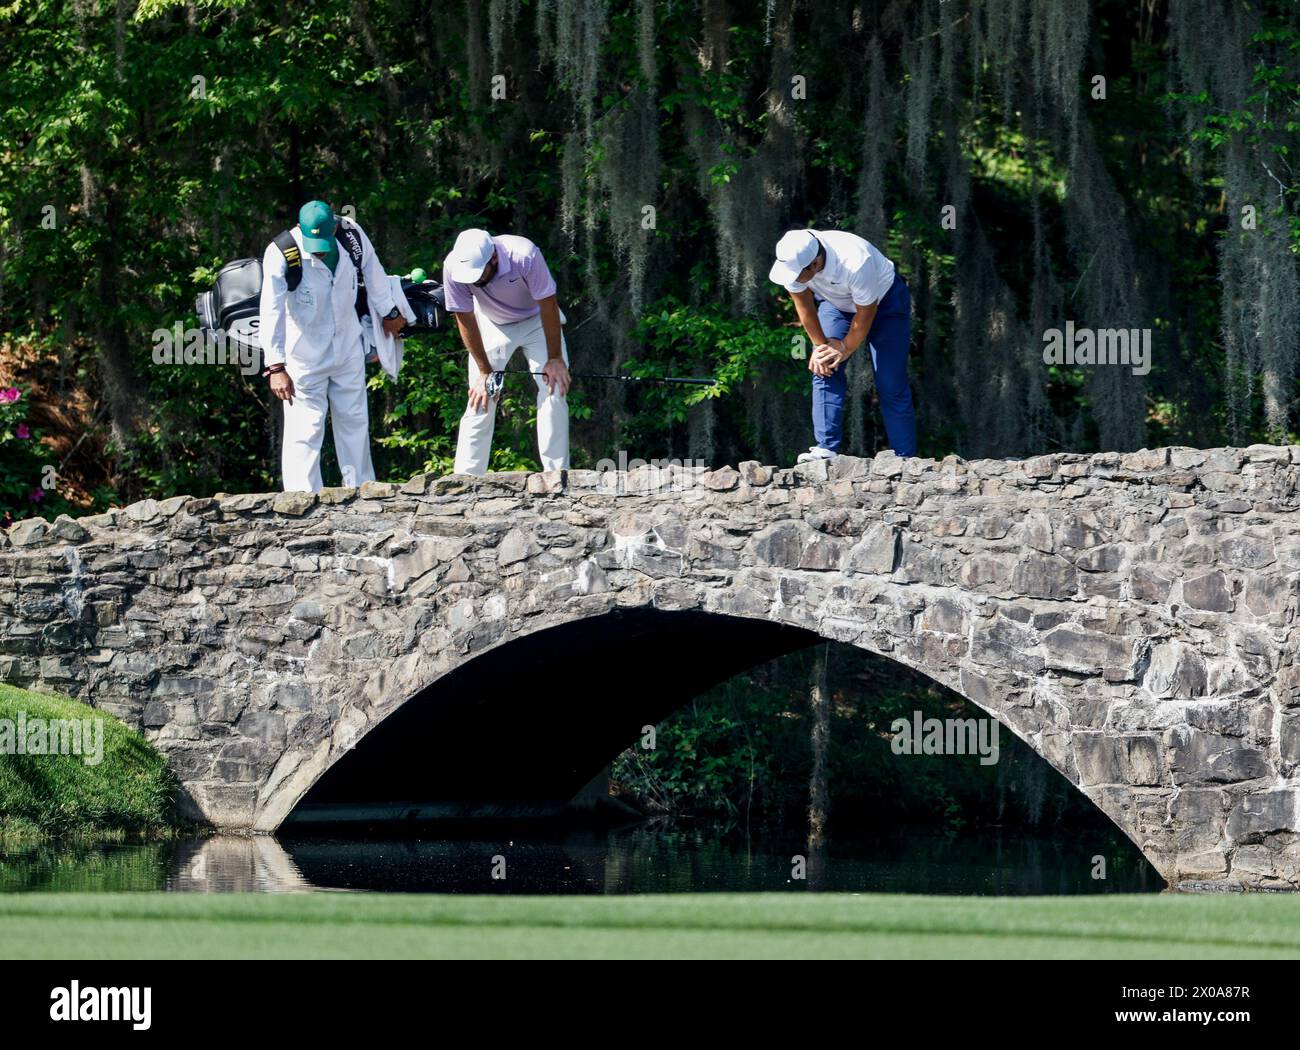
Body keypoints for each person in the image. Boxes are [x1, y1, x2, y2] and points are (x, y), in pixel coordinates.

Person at [258, 200, 406, 492]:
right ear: (299, 228)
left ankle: (361, 489)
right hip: (304, 356)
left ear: (336, 226)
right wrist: (275, 366)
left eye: (324, 241)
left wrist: (389, 313)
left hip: (347, 346)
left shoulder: (352, 237)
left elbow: (374, 275)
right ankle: (301, 499)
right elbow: (270, 311)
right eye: (313, 243)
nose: (319, 249)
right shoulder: (281, 252)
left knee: (354, 422)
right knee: (306, 429)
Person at [769, 228, 917, 461]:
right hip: (836, 304)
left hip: (885, 304)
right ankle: (826, 448)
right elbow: (804, 306)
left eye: (797, 274)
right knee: (824, 365)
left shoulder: (855, 261)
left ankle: (906, 458)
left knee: (890, 382)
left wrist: (845, 347)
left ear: (815, 264)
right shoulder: (795, 260)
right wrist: (821, 348)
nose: (792, 279)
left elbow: (866, 313)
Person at [443, 229, 571, 476]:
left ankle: (557, 475)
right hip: (492, 324)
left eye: (477, 275)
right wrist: (483, 371)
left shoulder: (525, 255)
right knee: (481, 395)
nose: (473, 281)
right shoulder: (453, 267)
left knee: (554, 387)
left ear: (493, 259)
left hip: (537, 320)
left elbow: (549, 305)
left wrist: (555, 358)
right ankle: (466, 479)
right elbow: (465, 318)